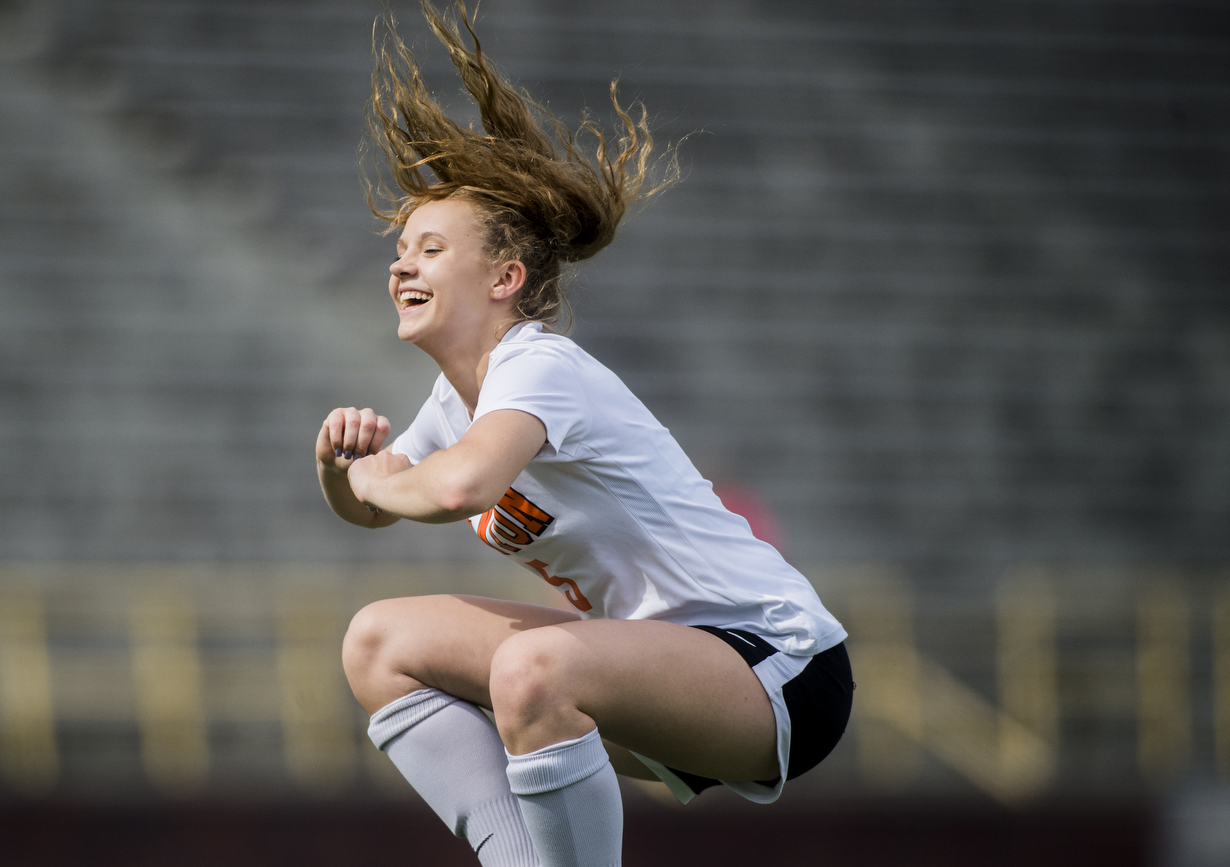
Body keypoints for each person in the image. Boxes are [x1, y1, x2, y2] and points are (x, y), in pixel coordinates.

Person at [316, 4, 852, 865]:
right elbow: (369, 510)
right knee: (378, 640)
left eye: (427, 249)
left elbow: (460, 488)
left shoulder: (539, 366)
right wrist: (340, 471)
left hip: (773, 664)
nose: (399, 265)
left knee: (532, 672)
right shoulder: (453, 402)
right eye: (399, 250)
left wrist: (379, 481)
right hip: (648, 668)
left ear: (505, 277)